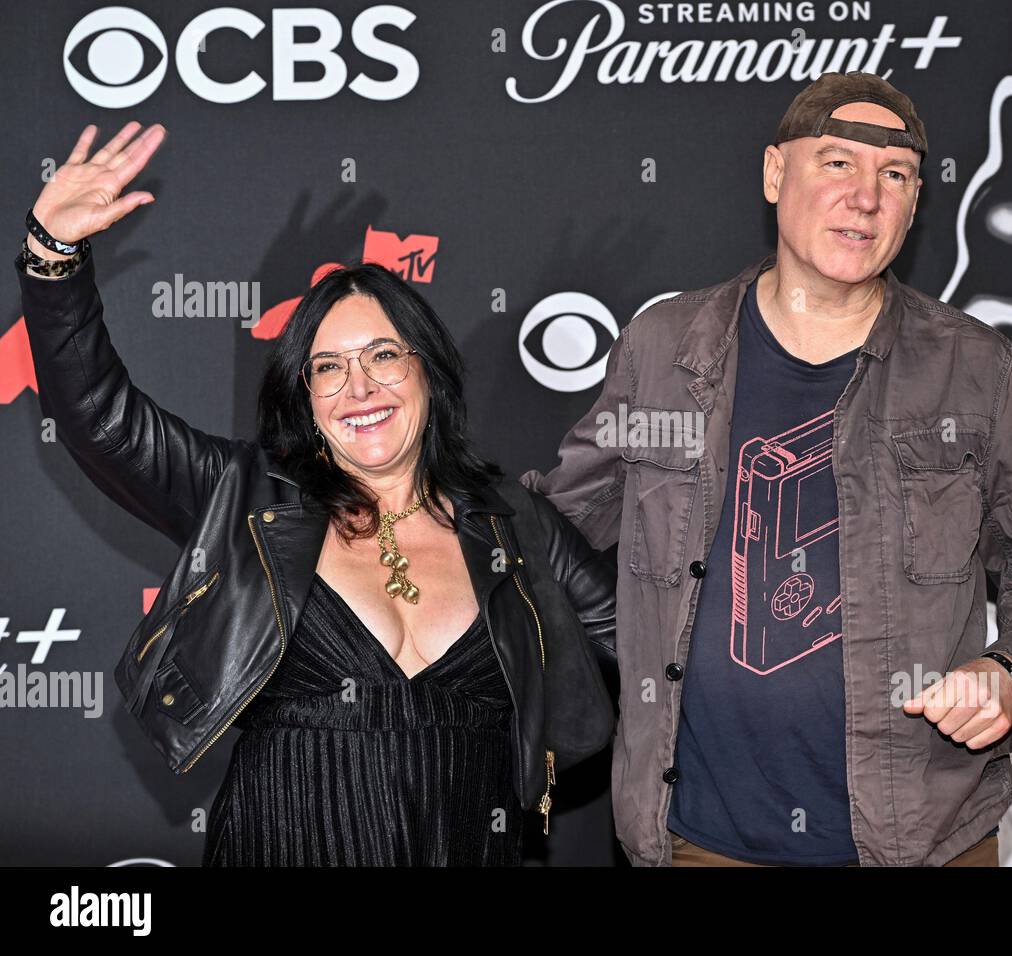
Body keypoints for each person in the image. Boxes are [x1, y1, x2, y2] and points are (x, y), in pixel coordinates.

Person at [521, 72, 1012, 866]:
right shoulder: (664, 350)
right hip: (703, 841)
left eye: (893, 176)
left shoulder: (975, 370)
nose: (866, 197)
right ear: (773, 173)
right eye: (836, 163)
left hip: (925, 841)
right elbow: (551, 530)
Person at [15, 121, 618, 866]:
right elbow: (99, 420)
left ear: (427, 369)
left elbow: (658, 643)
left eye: (382, 355)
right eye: (328, 367)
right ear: (306, 396)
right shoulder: (244, 497)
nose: (358, 386)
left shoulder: (515, 524)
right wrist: (53, 255)